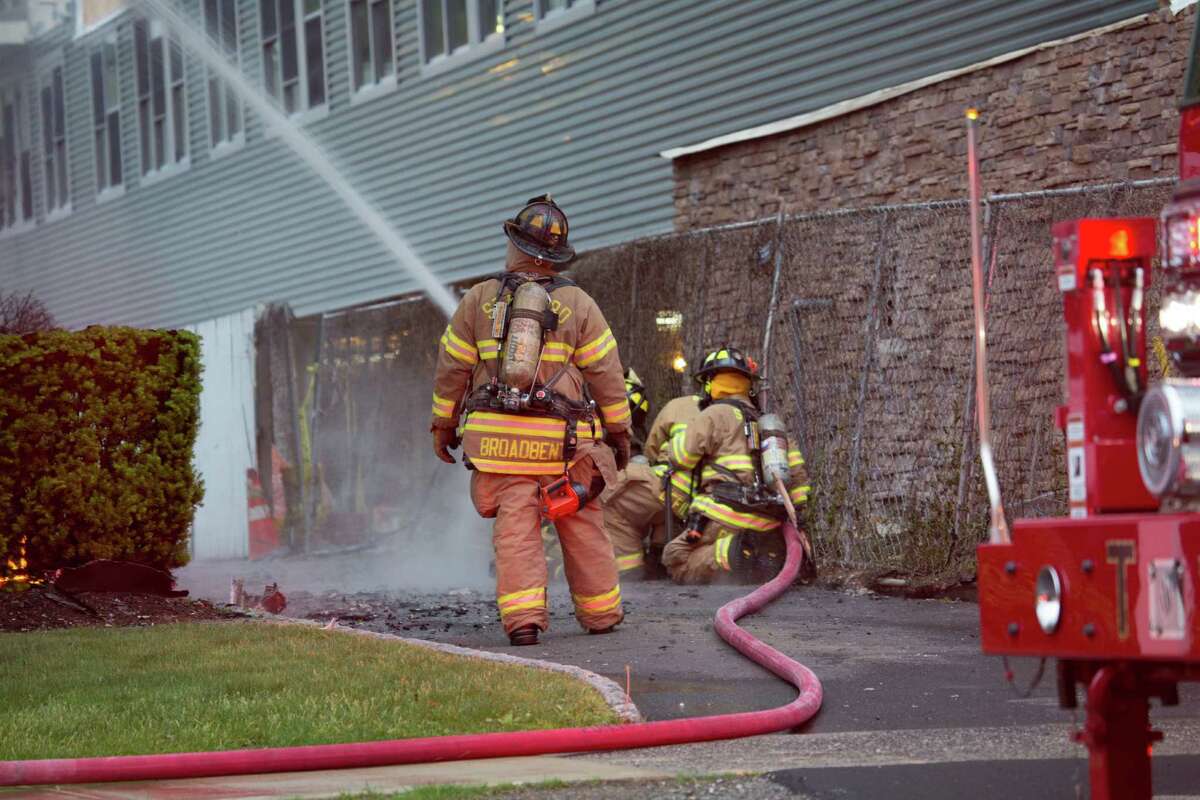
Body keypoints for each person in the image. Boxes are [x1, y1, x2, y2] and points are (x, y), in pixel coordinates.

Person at [430, 195, 631, 646]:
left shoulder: (478, 300)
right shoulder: (578, 303)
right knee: (581, 522)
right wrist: (620, 433)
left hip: (499, 446)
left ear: (514, 244)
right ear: (557, 257)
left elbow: (451, 370)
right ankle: (601, 615)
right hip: (563, 446)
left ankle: (523, 622)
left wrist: (443, 425)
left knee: (516, 529)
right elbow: (607, 375)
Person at [662, 346, 810, 584]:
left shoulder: (713, 414)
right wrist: (800, 513)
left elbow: (681, 458)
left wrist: (677, 438)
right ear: (748, 386)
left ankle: (733, 552)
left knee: (675, 557)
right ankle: (760, 557)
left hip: (724, 514)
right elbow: (798, 476)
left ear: (710, 384)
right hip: (769, 521)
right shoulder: (769, 425)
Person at [603, 375, 702, 577]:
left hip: (671, 486)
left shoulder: (678, 406)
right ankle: (658, 551)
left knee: (607, 496)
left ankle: (628, 568)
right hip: (700, 501)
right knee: (652, 507)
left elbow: (651, 452)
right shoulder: (740, 415)